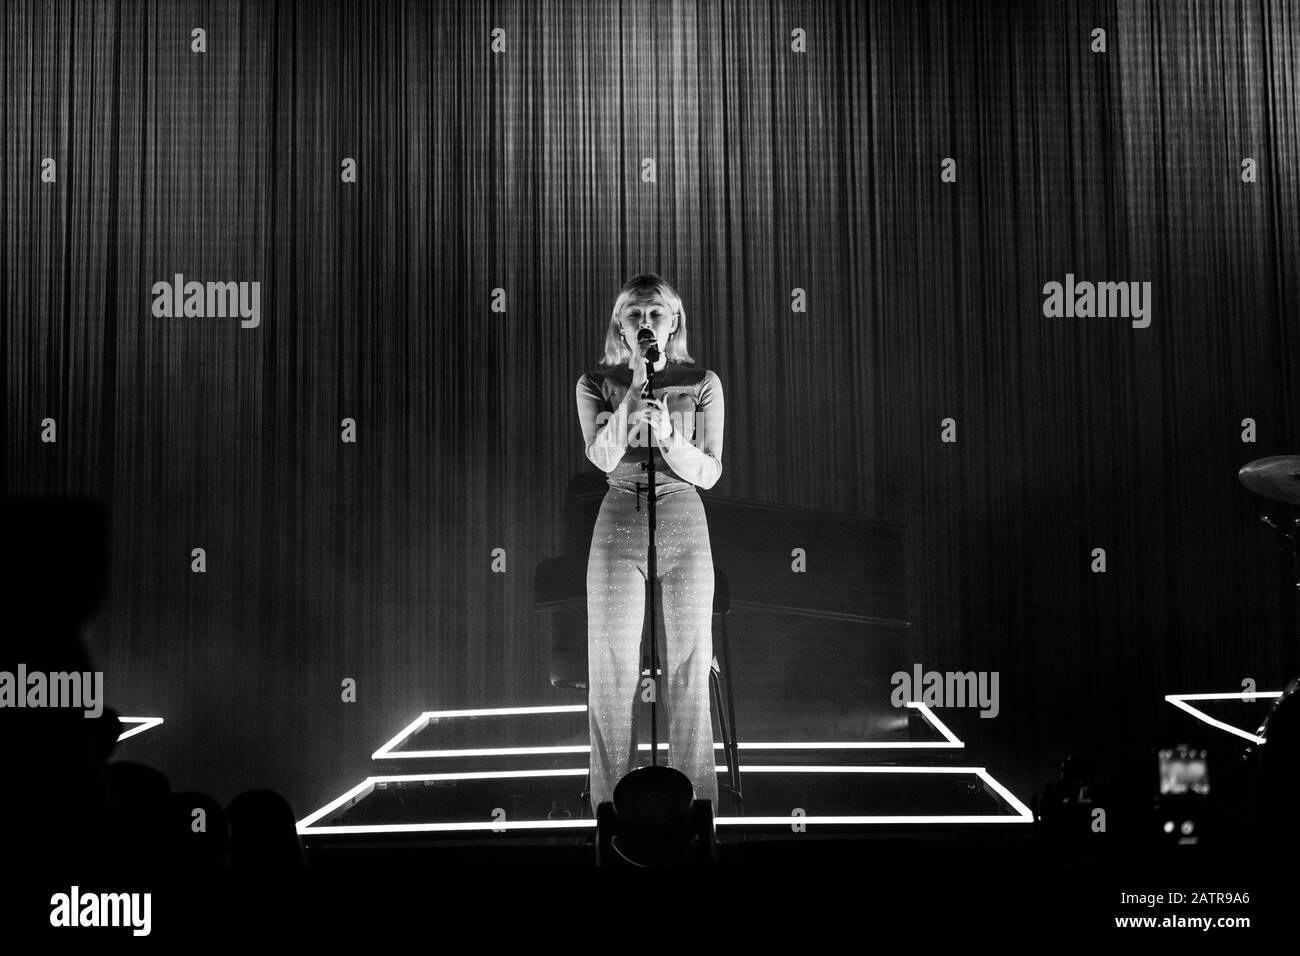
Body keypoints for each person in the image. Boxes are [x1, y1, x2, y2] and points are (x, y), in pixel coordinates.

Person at [574, 273, 726, 813]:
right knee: (611, 669)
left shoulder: (703, 381)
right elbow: (602, 458)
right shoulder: (597, 381)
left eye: (655, 313)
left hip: (684, 515)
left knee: (689, 666)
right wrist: (635, 392)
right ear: (620, 323)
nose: (645, 323)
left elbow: (708, 472)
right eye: (634, 314)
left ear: (674, 321)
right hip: (619, 518)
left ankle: (696, 811)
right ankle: (610, 812)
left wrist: (668, 436)